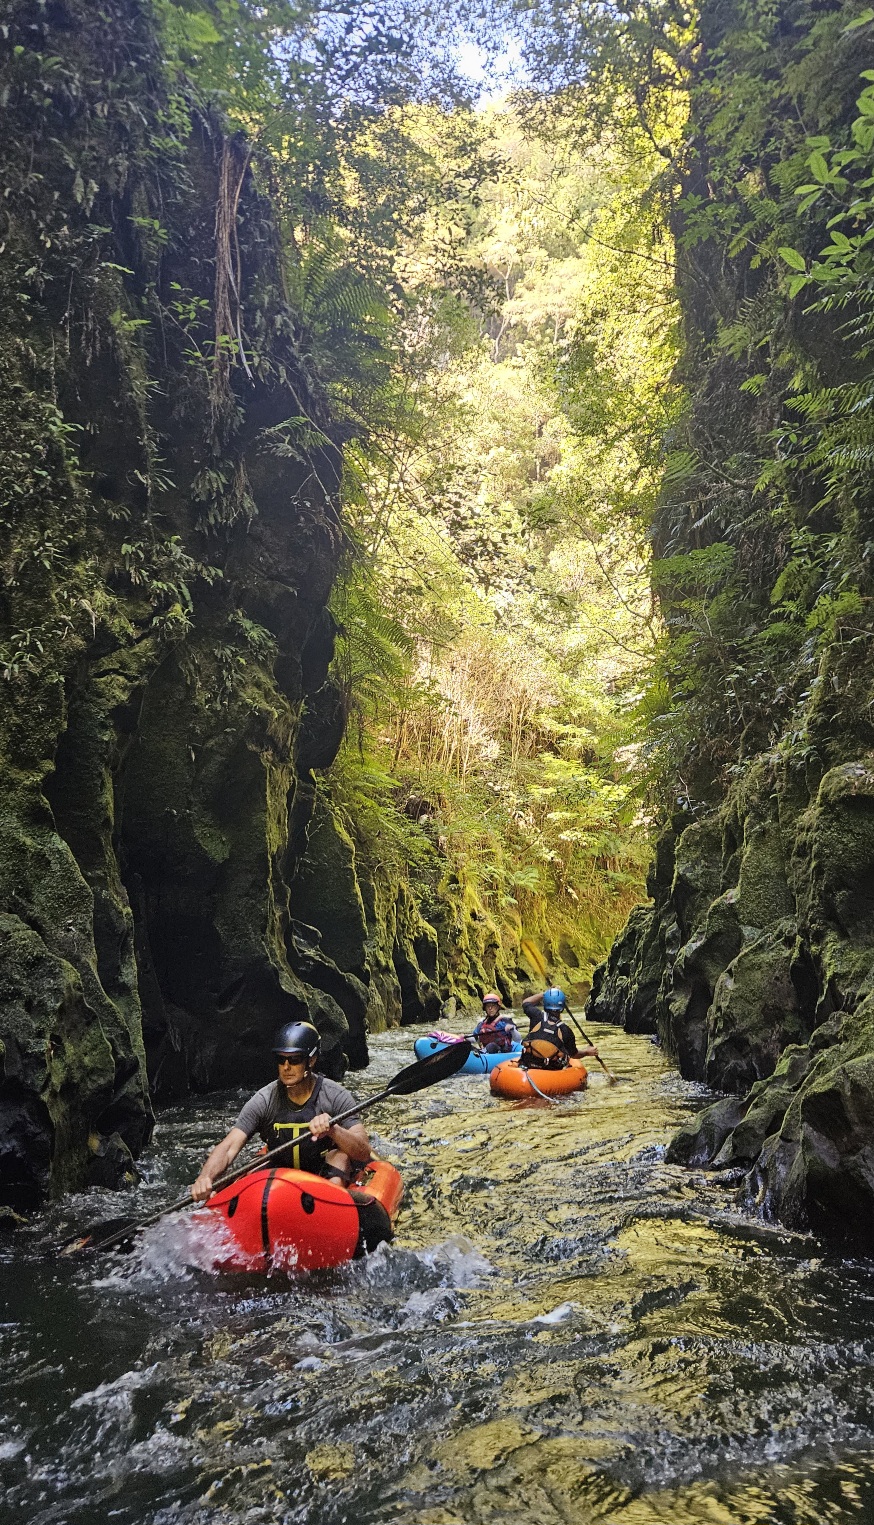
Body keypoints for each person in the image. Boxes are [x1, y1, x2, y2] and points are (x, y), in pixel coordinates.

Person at [190, 1021, 371, 1202]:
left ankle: (332, 1207)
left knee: (339, 1156)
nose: (286, 1067)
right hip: (280, 1173)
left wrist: (334, 1130)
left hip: (324, 1172)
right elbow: (229, 1146)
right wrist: (205, 1177)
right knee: (248, 1173)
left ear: (312, 1060)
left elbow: (363, 1151)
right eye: (280, 1059)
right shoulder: (265, 1099)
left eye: (294, 1060)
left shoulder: (335, 1096)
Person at [520, 986, 600, 1070]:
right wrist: (587, 1052)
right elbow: (574, 1054)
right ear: (562, 1008)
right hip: (549, 1068)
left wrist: (545, 994)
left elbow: (526, 1002)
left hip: (528, 1063)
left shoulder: (536, 1015)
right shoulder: (565, 1030)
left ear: (545, 1003)